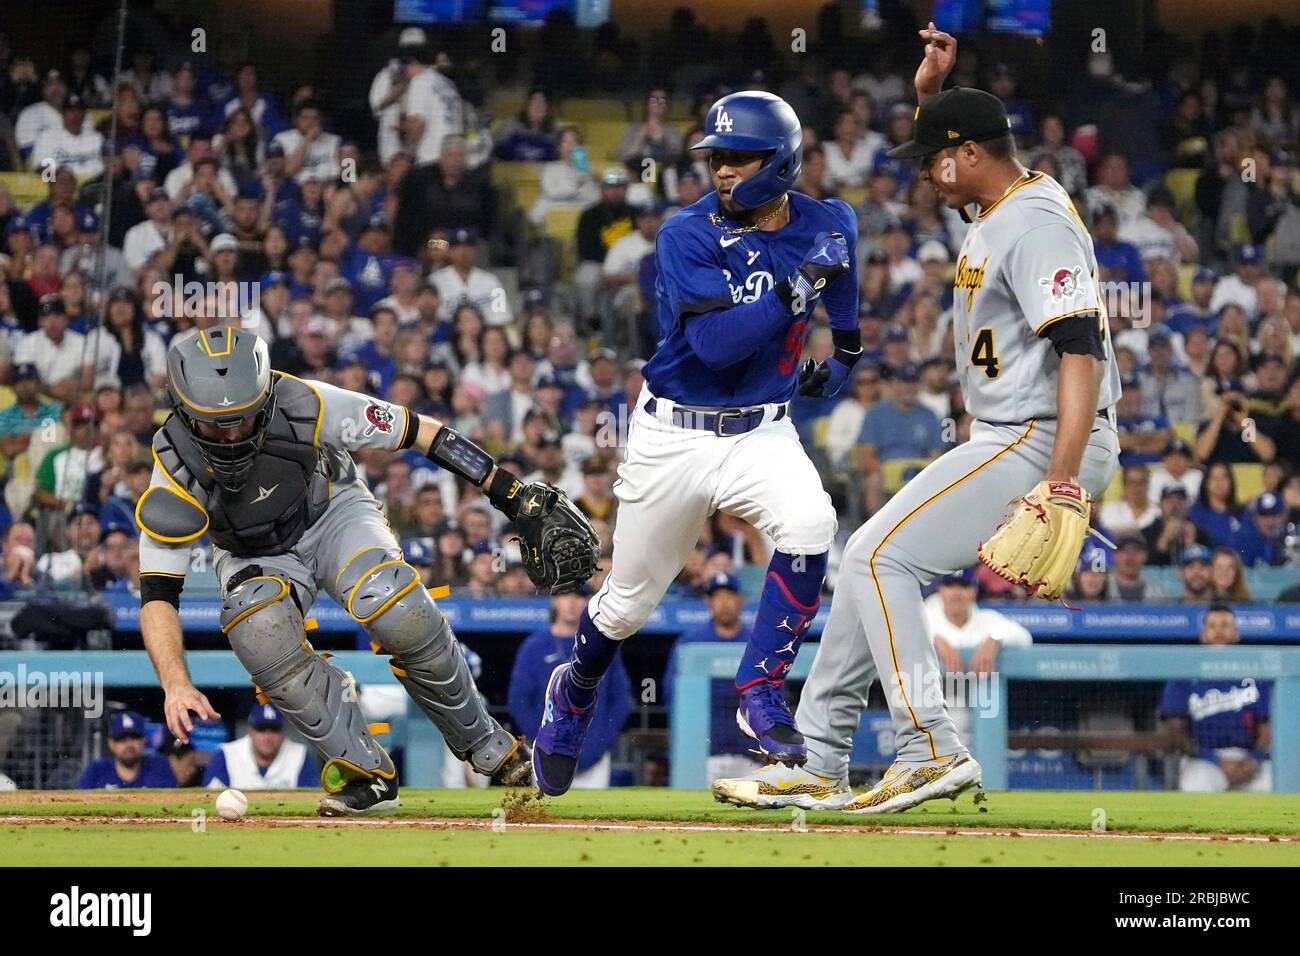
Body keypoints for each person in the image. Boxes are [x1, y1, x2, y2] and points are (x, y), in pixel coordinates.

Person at [716, 25, 1119, 814]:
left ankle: (928, 744)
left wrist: (1064, 480)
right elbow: (967, 141)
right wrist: (934, 97)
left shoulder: (1033, 224)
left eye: (936, 157)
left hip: (1042, 437)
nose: (926, 178)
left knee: (874, 558)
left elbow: (1080, 349)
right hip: (1013, 434)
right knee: (868, 564)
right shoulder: (1006, 190)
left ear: (969, 154)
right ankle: (822, 759)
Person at [528, 89, 859, 797]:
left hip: (763, 429)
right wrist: (802, 287)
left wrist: (849, 353)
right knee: (625, 605)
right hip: (675, 434)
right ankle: (574, 692)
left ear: (781, 161)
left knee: (812, 522)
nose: (722, 170)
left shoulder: (827, 221)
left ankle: (761, 689)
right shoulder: (686, 232)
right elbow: (712, 345)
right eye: (716, 157)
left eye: (738, 157)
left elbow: (845, 260)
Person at [136, 326, 590, 814]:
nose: (230, 434)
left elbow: (418, 430)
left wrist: (509, 491)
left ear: (264, 397)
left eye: (242, 419)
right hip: (251, 552)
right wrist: (175, 682)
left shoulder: (307, 403)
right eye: (214, 423)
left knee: (394, 604)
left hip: (333, 511)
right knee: (257, 624)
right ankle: (363, 772)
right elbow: (157, 593)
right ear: (184, 413)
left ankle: (488, 745)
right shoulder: (173, 469)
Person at [509, 590, 630, 789]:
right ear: (554, 600)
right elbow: (519, 701)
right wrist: (540, 741)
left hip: (593, 755)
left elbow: (620, 701)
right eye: (566, 595)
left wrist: (598, 745)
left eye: (579, 596)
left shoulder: (602, 647)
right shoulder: (534, 646)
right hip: (547, 752)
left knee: (595, 817)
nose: (572, 602)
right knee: (548, 812)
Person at [1160, 604, 1271, 792]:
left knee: (1272, 784)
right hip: (1203, 759)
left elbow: (1268, 727)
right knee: (1198, 786)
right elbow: (1175, 732)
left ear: (1236, 634)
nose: (1219, 631)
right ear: (1203, 635)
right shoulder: (1184, 674)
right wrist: (1216, 760)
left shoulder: (1257, 672)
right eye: (1212, 626)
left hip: (1249, 756)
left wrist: (1255, 759)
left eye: (1225, 626)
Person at [662, 572, 757, 780]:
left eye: (730, 595)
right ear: (709, 602)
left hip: (751, 753)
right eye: (718, 596)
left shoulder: (756, 643)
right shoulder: (690, 643)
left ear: (741, 600)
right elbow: (672, 696)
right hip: (701, 753)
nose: (724, 603)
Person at [925, 569, 1031, 739]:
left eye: (964, 586)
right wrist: (935, 639)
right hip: (931, 723)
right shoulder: (924, 617)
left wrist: (994, 640)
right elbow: (899, 633)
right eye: (950, 585)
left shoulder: (986, 620)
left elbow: (1024, 637)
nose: (956, 593)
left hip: (979, 721)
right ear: (940, 589)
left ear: (974, 591)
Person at [203, 703, 320, 789]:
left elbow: (310, 799)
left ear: (284, 732)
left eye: (274, 729)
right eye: (261, 729)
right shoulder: (226, 754)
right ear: (250, 731)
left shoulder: (300, 755)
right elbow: (210, 799)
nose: (267, 737)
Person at [77, 711, 177, 789]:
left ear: (144, 740)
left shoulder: (158, 766)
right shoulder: (97, 770)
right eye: (121, 738)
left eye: (134, 737)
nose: (129, 744)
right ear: (111, 744)